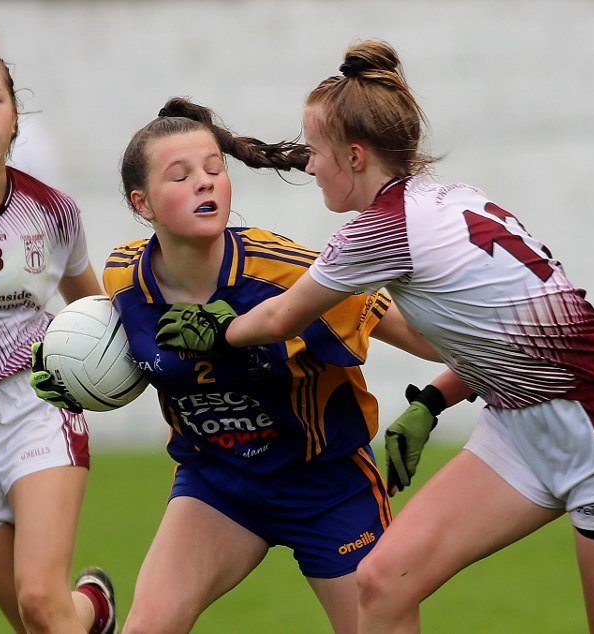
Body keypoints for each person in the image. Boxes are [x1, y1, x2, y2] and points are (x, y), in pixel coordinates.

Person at [154, 41, 594, 633]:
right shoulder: (452, 198)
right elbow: (503, 341)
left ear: (355, 156)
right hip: (520, 429)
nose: (309, 168)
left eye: (316, 154)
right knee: (383, 582)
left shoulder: (381, 230)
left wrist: (219, 331)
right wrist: (433, 400)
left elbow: (282, 317)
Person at [62, 97, 436, 634]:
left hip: (326, 486)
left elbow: (423, 335)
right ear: (142, 203)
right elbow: (126, 355)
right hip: (218, 483)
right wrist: (72, 376)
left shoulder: (284, 271)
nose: (205, 183)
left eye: (214, 169)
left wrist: (449, 390)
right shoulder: (124, 276)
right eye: (181, 176)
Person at [0, 53, 117, 633]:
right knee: (34, 621)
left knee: (41, 603)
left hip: (36, 405)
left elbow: (94, 311)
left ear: (15, 114)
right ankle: (94, 610)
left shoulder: (52, 211)